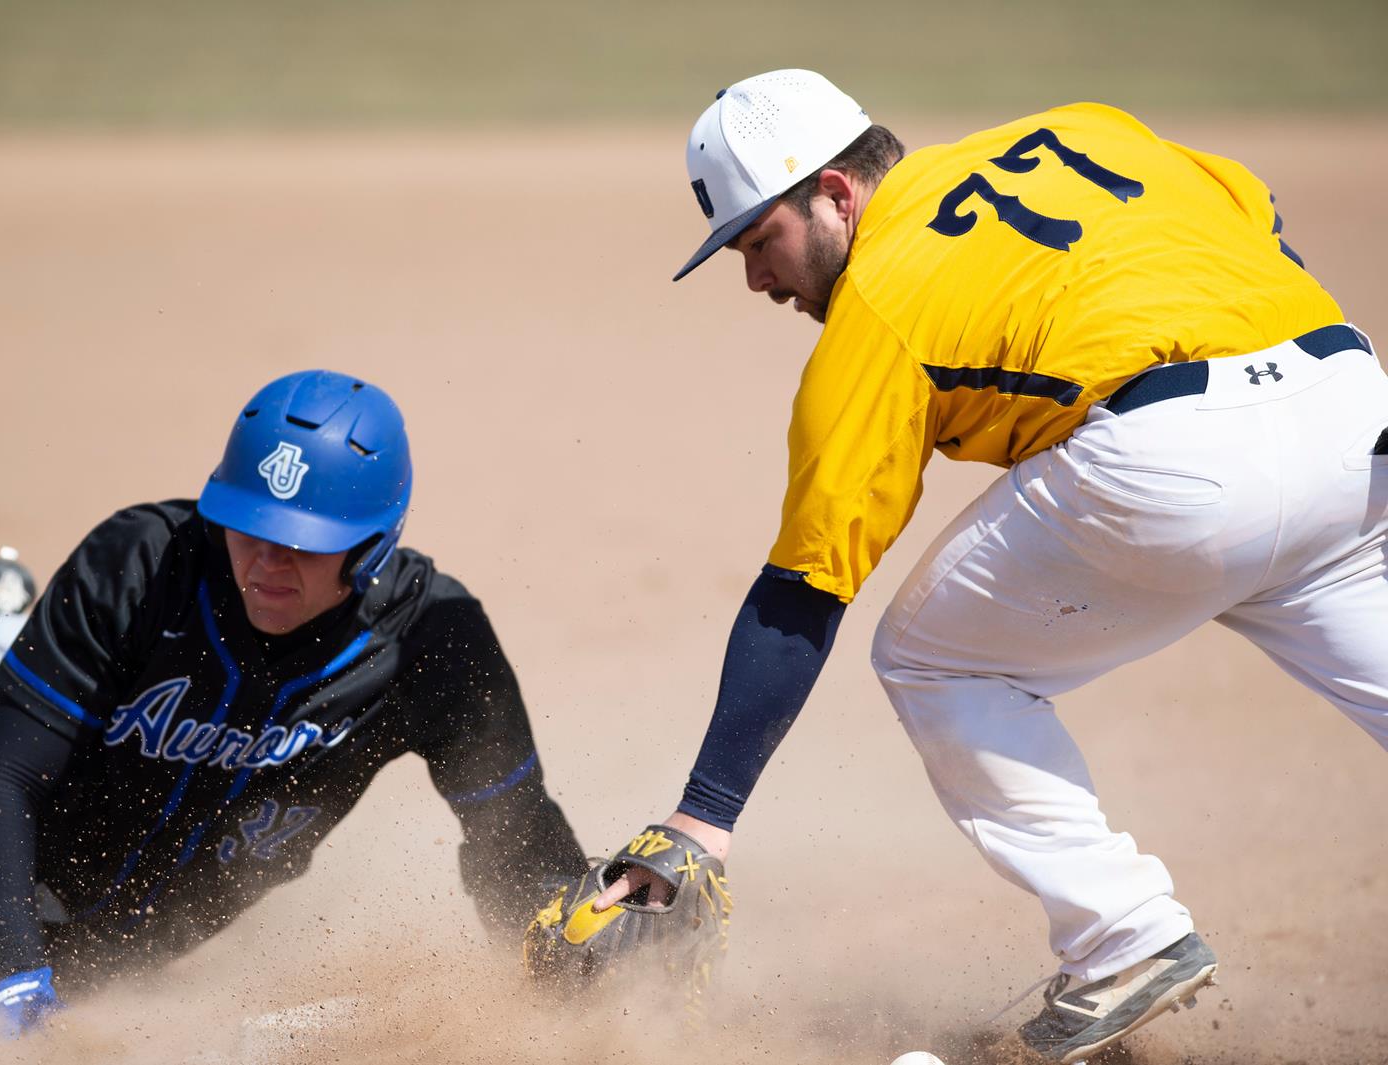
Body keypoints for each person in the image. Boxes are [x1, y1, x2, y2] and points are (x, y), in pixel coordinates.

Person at [591, 69, 1388, 1063]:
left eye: (760, 242)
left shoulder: (878, 300)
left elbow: (806, 588)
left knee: (935, 658)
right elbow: (1251, 208)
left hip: (1179, 464)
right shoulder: (1086, 126)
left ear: (836, 194)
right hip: (1350, 410)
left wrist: (702, 818)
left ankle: (1121, 942)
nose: (756, 279)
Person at [0, 370, 587, 1037]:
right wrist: (15, 975)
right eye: (249, 526)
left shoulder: (432, 644)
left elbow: (514, 831)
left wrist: (573, 961)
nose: (268, 561)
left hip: (106, 940)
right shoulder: (143, 564)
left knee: (29, 699)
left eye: (303, 541)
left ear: (374, 543)